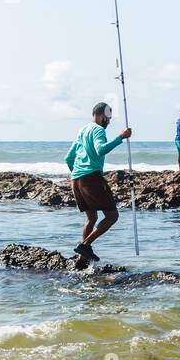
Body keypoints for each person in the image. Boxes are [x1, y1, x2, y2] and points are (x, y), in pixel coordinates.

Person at [64, 101, 133, 266]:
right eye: (107, 119)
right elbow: (100, 150)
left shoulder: (82, 130)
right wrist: (120, 138)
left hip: (76, 179)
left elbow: (68, 158)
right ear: (102, 116)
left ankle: (82, 259)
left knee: (91, 218)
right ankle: (85, 245)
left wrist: (77, 173)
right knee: (112, 216)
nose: (108, 122)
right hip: (91, 178)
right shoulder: (98, 130)